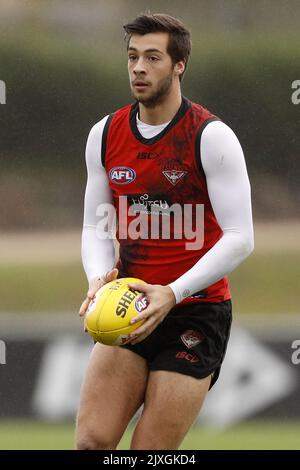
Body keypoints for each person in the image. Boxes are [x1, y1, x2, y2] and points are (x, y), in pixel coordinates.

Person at [75, 13, 254, 450]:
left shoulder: (211, 137)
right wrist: (98, 279)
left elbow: (240, 237)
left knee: (150, 453)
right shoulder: (105, 134)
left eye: (152, 57)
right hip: (129, 305)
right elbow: (95, 224)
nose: (139, 67)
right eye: (133, 57)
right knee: (92, 443)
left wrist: (173, 292)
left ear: (179, 65)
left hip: (196, 311)